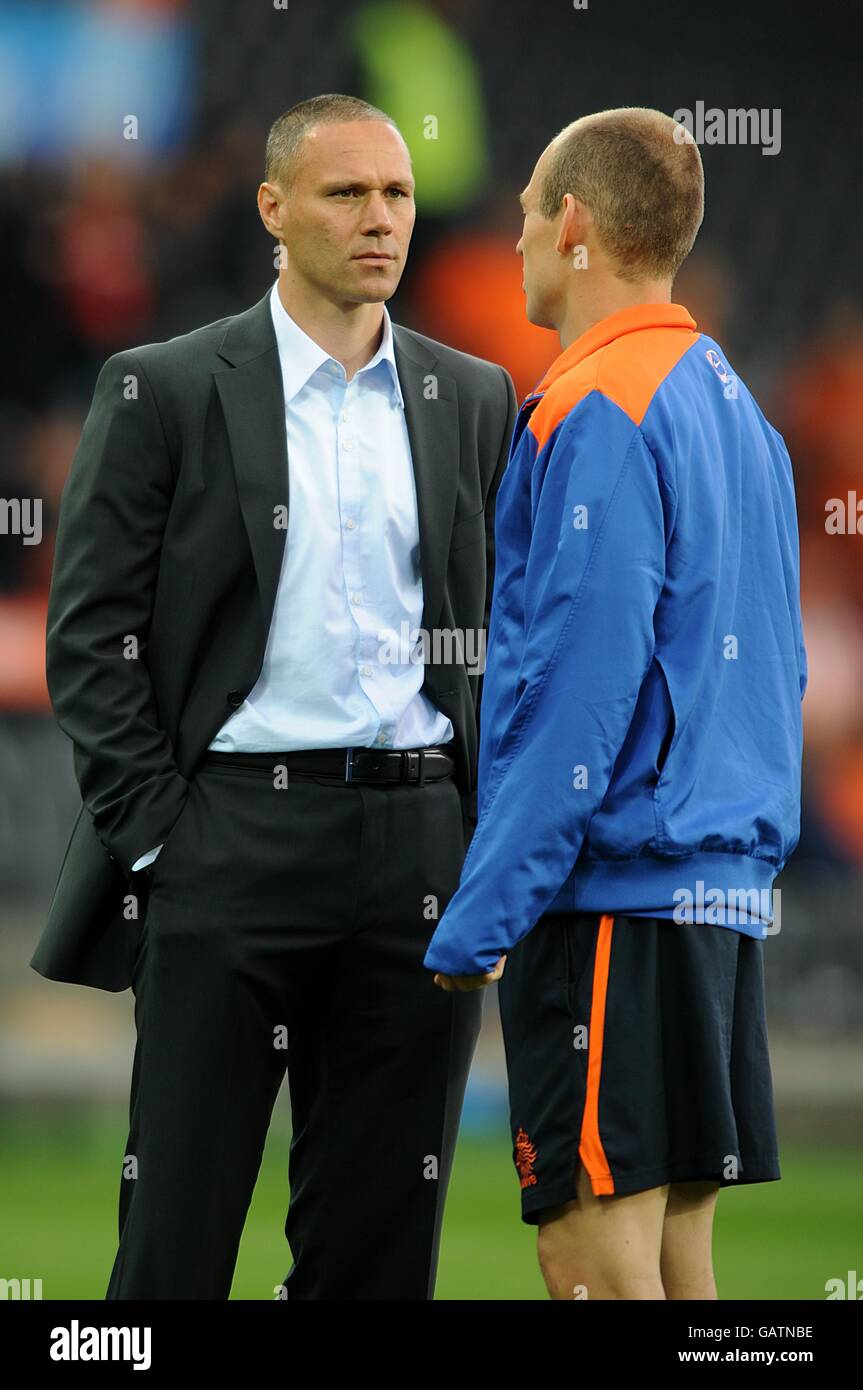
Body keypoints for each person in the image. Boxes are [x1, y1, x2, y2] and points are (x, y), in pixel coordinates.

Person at [32, 93, 517, 1300]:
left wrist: (476, 834)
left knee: (374, 1261)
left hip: (415, 850)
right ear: (271, 208)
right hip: (225, 844)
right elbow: (92, 638)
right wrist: (163, 840)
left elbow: (496, 634)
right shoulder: (165, 388)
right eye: (345, 192)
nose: (378, 219)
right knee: (174, 1254)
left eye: (396, 194)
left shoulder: (472, 396)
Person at [424, 107, 807, 1301]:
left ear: (572, 223)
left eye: (530, 213)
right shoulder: (737, 406)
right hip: (712, 898)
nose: (520, 237)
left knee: (590, 1258)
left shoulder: (596, 405)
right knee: (679, 1265)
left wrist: (483, 910)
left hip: (611, 906)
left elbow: (576, 692)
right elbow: (774, 670)